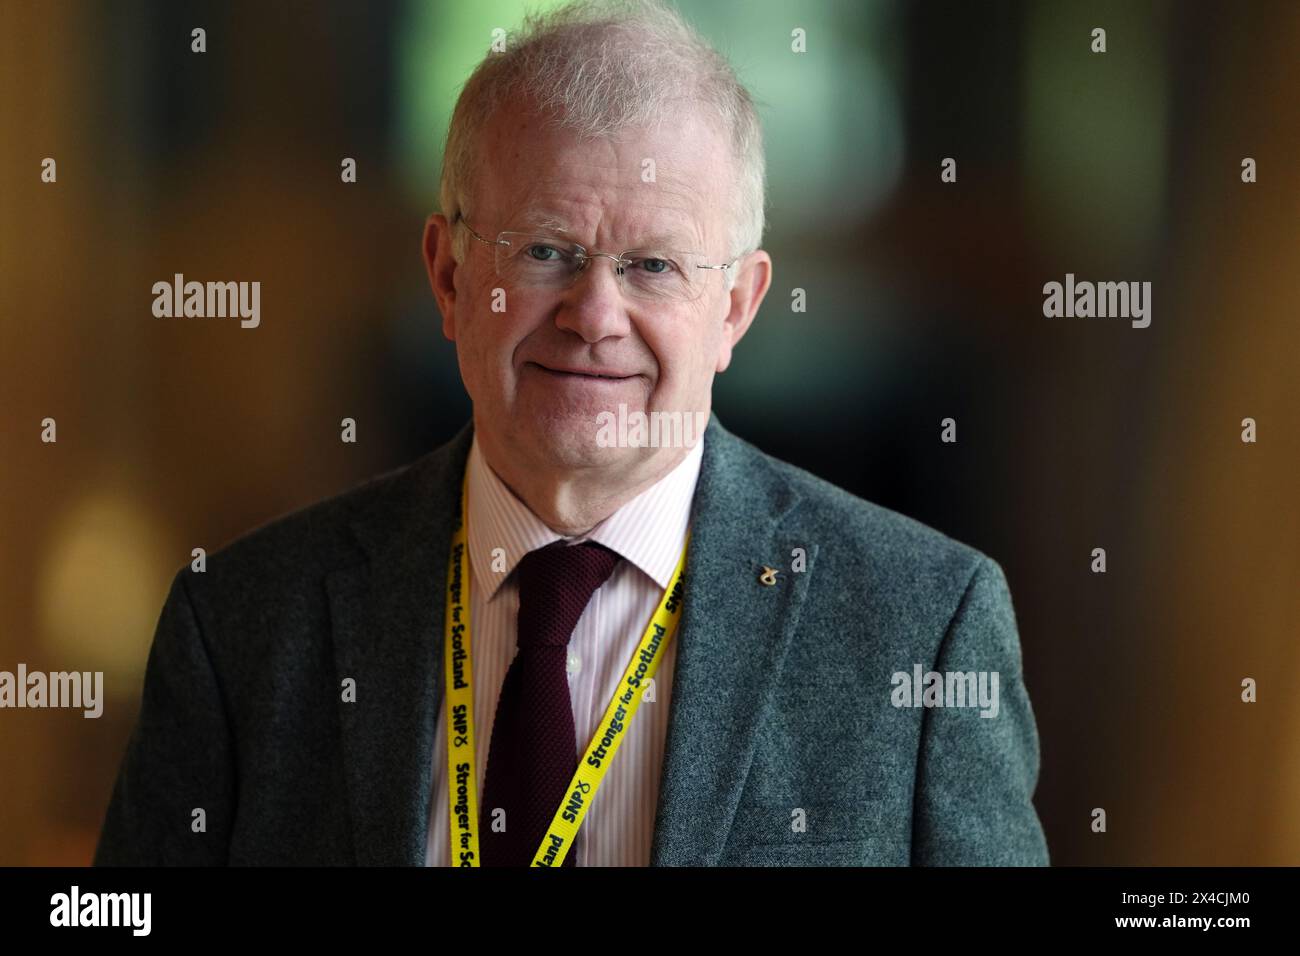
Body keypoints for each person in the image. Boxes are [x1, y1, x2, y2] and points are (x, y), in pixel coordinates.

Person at [94, 0, 1048, 867]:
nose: (594, 315)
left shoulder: (924, 630)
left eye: (654, 265)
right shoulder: (241, 630)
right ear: (449, 276)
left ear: (738, 306)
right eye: (546, 251)